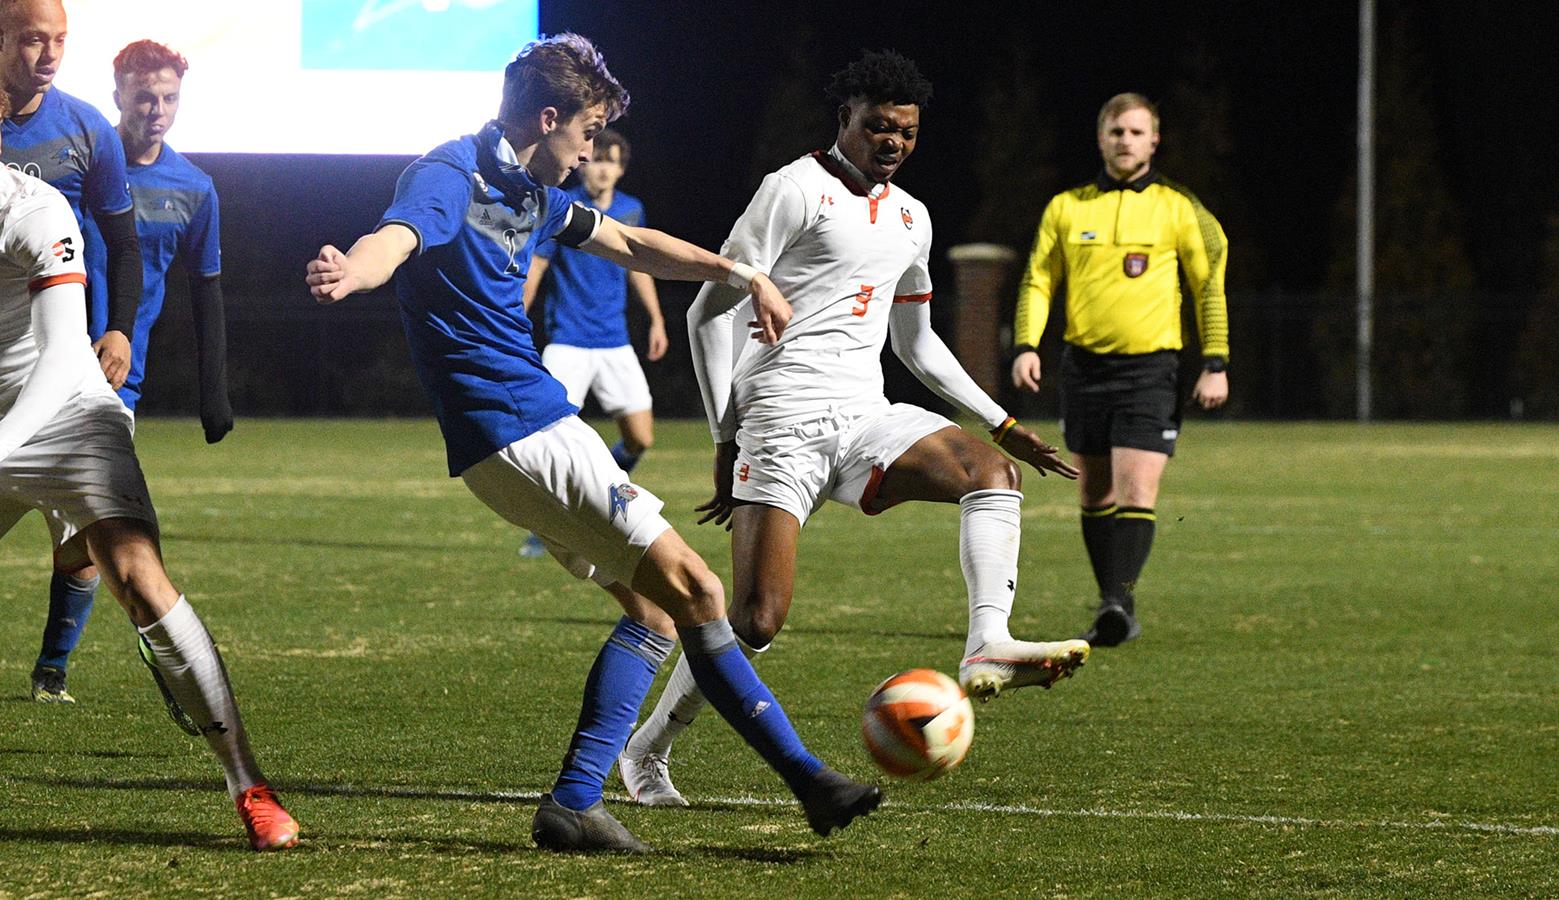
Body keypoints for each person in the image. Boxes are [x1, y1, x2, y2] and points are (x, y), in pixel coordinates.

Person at [304, 33, 879, 854]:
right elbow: (397, 236)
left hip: (513, 438)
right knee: (697, 587)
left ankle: (575, 802)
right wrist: (354, 271)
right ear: (549, 117)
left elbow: (632, 244)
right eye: (587, 130)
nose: (590, 150)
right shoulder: (449, 174)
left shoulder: (531, 192)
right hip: (523, 430)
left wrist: (743, 273)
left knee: (653, 611)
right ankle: (808, 780)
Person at [619, 49, 1087, 808]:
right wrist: (725, 434)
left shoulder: (912, 216)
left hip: (866, 413)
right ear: (845, 121)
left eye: (905, 131)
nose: (893, 142)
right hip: (779, 416)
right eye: (877, 128)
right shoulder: (793, 189)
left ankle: (987, 640)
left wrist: (999, 423)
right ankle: (648, 749)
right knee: (757, 619)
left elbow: (917, 343)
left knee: (988, 474)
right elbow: (709, 310)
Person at [0, 91, 298, 851]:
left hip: (65, 407)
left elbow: (64, 358)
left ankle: (248, 786)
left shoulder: (35, 210)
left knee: (134, 572)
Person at [1010, 92, 1230, 647]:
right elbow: (1039, 279)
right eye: (1116, 132)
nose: (1125, 141)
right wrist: (1026, 345)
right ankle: (1115, 602)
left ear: (1154, 140)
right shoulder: (1067, 207)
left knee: (1138, 489)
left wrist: (1216, 362)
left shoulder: (1180, 207)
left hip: (1152, 370)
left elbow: (1209, 285)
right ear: (1101, 137)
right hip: (1084, 369)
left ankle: (1116, 601)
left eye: (1136, 132)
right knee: (1093, 494)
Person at [1, 0, 145, 703]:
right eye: (32, 38)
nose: (49, 53)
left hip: (58, 361)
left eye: (59, 39)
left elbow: (123, 245)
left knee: (82, 535)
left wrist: (118, 328)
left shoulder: (88, 128)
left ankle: (52, 669)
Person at [517, 129, 664, 558]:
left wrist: (656, 319)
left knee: (640, 438)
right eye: (597, 158)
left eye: (612, 161)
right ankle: (547, 529)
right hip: (568, 342)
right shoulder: (565, 207)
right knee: (554, 444)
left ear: (621, 168)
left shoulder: (631, 210)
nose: (602, 167)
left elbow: (639, 266)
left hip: (615, 343)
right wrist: (515, 319)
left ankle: (598, 503)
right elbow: (537, 268)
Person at [110, 40, 232, 433]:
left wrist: (214, 393)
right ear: (119, 97)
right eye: (145, 98)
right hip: (38, 358)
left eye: (170, 98)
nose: (158, 111)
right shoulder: (84, 164)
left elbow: (206, 293)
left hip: (119, 375)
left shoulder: (193, 188)